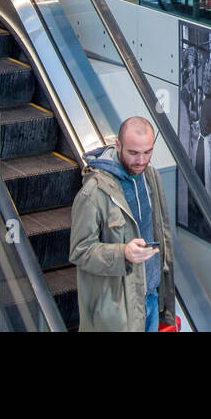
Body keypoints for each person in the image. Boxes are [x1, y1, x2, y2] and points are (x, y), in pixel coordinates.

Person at [69, 116, 175, 333]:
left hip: (152, 297)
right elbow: (80, 251)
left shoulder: (151, 176)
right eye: (133, 153)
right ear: (118, 145)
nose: (141, 160)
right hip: (119, 311)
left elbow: (161, 231)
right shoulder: (94, 192)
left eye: (148, 152)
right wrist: (122, 253)